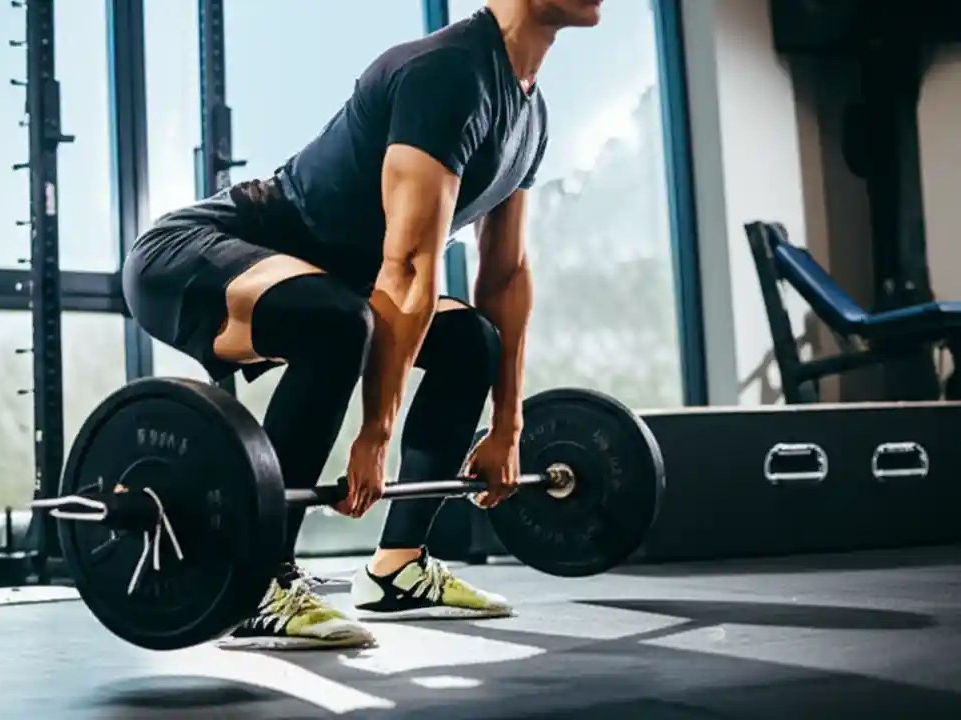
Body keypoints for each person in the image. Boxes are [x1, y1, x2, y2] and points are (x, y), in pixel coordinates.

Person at [122, 0, 603, 650]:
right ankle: (252, 578)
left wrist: (509, 426)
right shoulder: (450, 72)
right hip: (192, 253)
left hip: (323, 282)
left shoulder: (528, 113)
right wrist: (374, 435)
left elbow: (505, 277)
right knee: (339, 324)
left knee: (469, 341)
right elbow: (406, 268)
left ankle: (397, 567)